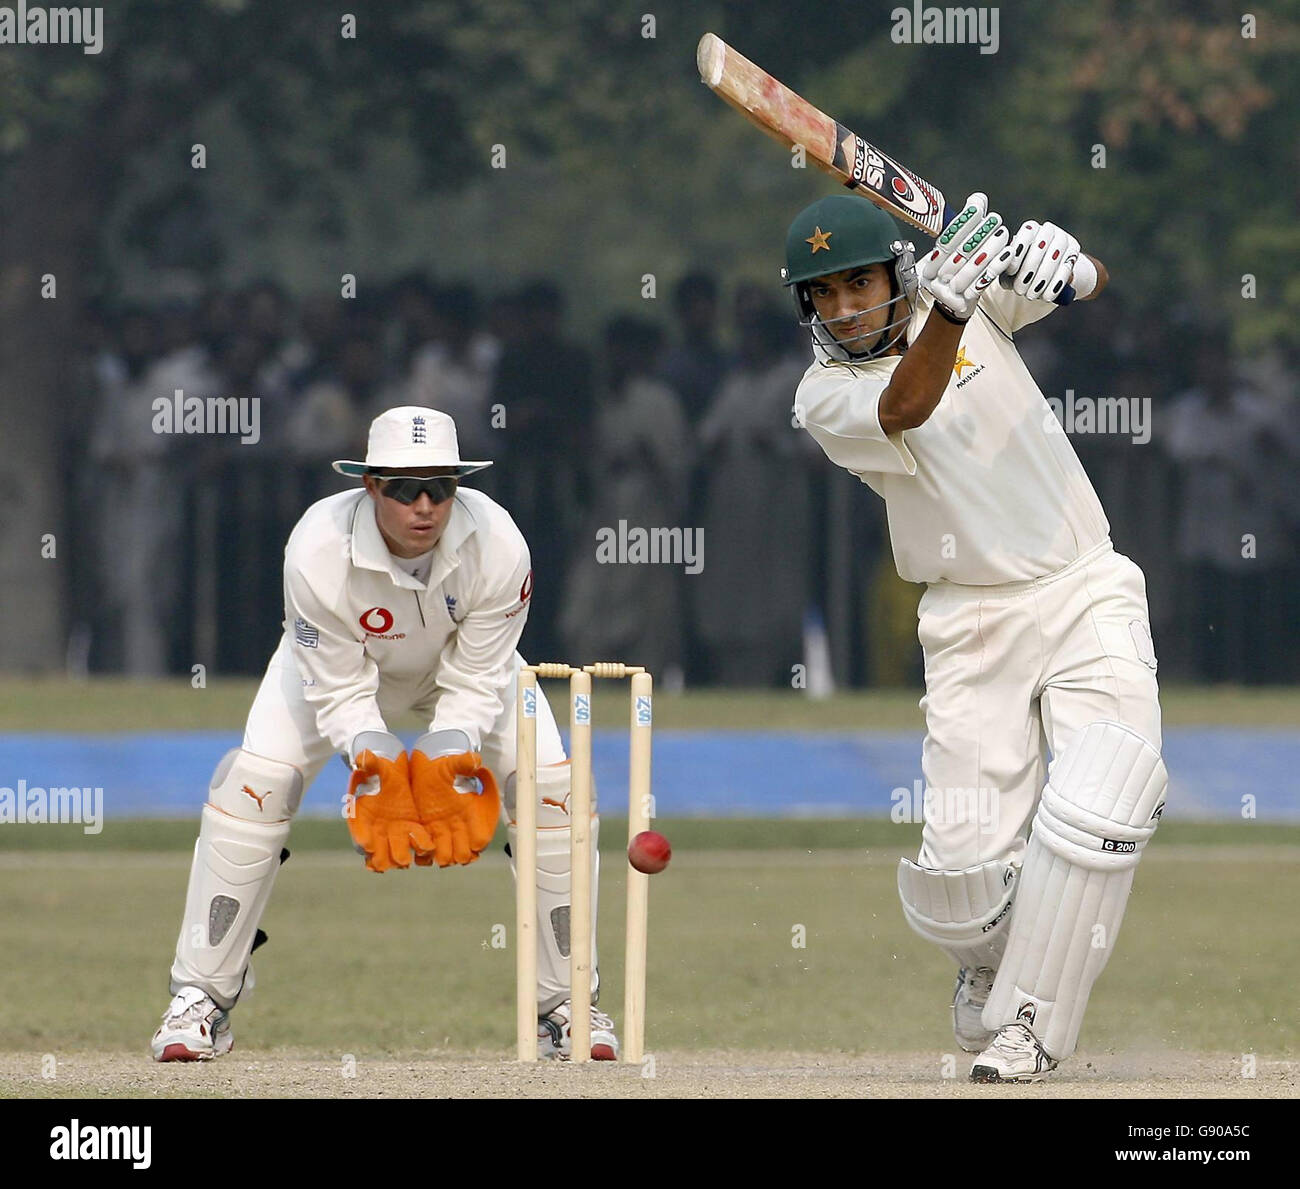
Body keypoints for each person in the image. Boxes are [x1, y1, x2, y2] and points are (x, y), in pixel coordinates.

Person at [783, 193, 1166, 1082]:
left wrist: (1065, 264)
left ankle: (1030, 1023)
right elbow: (906, 405)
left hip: (1082, 585)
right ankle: (989, 965)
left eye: (857, 283)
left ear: (893, 272)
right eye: (824, 294)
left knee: (1103, 798)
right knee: (960, 887)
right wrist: (952, 306)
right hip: (969, 620)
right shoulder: (821, 394)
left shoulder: (970, 297)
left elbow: (1090, 282)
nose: (844, 308)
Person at [150, 406, 618, 1062]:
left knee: (556, 793)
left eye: (440, 487)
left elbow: (478, 678)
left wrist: (445, 754)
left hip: (457, 669)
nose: (424, 505)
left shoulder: (501, 543)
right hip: (334, 670)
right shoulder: (316, 547)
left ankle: (567, 1002)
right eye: (404, 489)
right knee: (253, 785)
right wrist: (379, 763)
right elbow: (339, 690)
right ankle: (200, 997)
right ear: (370, 485)